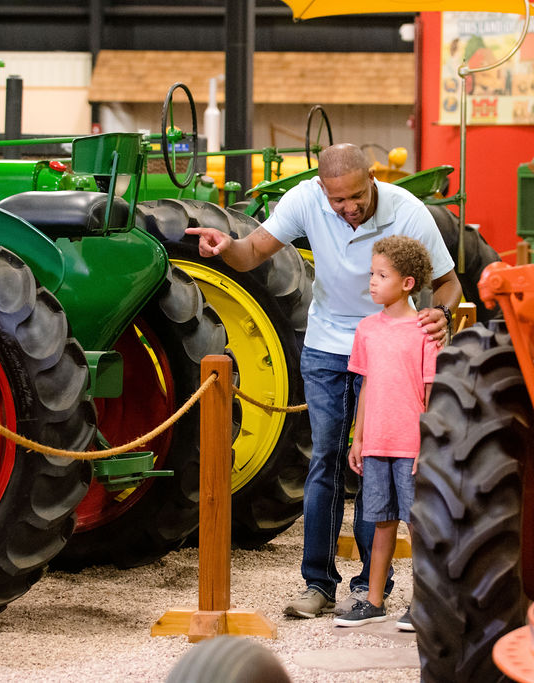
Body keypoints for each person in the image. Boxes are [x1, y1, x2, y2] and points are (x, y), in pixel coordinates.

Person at [186, 143, 461, 619]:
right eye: (338, 200)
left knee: (379, 463)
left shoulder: (408, 211)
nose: (348, 207)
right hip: (327, 346)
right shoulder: (304, 199)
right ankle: (318, 583)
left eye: (356, 196)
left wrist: (442, 313)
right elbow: (252, 253)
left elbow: (450, 283)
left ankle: (371, 589)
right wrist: (228, 247)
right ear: (321, 190)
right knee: (325, 461)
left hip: (390, 348)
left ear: (372, 179)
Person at [333, 235, 438, 631]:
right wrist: (358, 439)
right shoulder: (366, 330)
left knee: (419, 526)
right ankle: (374, 601)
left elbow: (430, 393)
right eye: (371, 274)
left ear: (407, 283)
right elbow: (366, 388)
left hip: (412, 446)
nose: (372, 282)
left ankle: (423, 605)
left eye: (381, 275)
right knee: (381, 523)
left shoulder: (425, 331)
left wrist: (427, 446)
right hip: (375, 444)